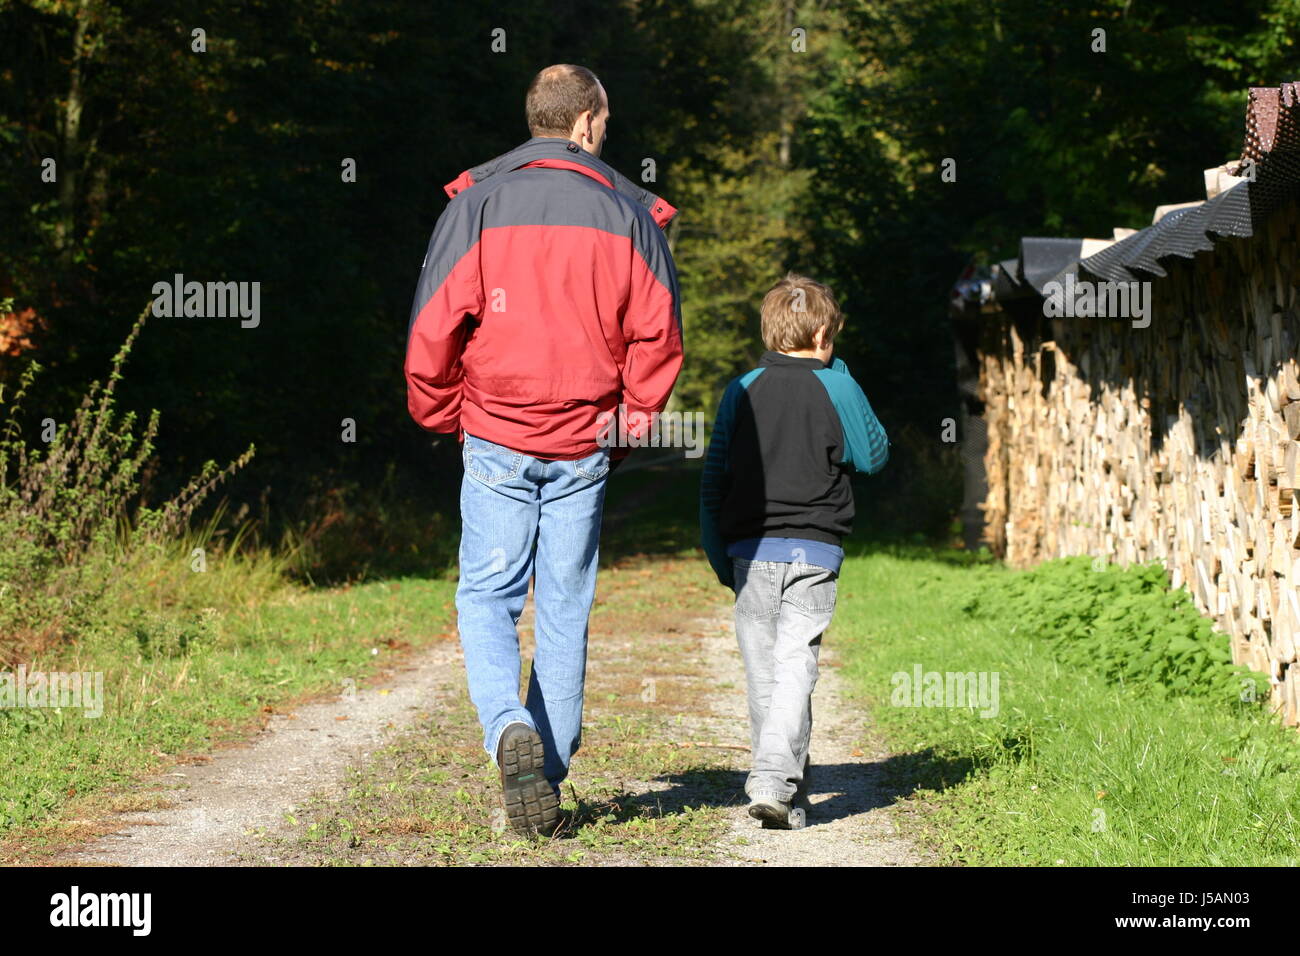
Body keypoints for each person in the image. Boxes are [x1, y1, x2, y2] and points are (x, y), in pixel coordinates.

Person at [404, 64, 683, 835]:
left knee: (486, 598)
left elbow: (434, 327)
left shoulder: (481, 204)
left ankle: (507, 730)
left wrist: (442, 414)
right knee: (564, 609)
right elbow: (658, 343)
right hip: (583, 444)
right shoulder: (629, 214)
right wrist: (623, 431)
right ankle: (545, 782)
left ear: (536, 121)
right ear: (589, 123)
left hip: (494, 432)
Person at [699, 273, 888, 828]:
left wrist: (719, 553)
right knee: (795, 666)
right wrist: (843, 376)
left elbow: (713, 479)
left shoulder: (743, 388)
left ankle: (777, 782)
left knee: (767, 673)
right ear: (825, 331)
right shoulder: (839, 387)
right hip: (814, 552)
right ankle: (777, 782)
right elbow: (874, 455)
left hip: (750, 551)